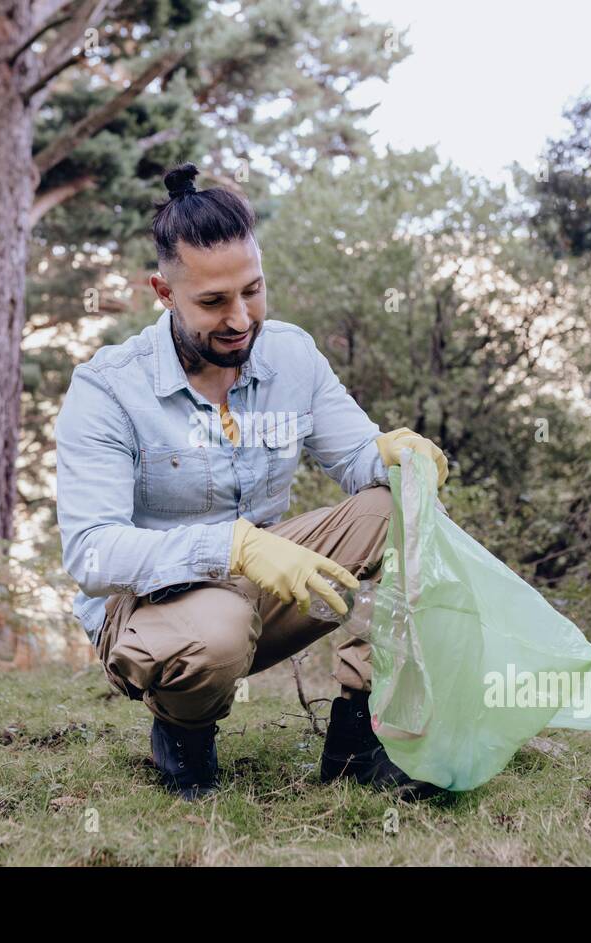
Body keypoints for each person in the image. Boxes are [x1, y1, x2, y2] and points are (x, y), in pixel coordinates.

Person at [54, 162, 449, 801]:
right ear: (163, 291)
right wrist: (233, 546)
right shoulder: (107, 389)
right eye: (212, 302)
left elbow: (356, 458)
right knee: (217, 628)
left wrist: (394, 454)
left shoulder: (291, 354)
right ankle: (182, 735)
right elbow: (92, 553)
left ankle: (364, 733)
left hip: (270, 584)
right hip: (155, 609)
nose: (240, 318)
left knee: (400, 504)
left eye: (253, 291)